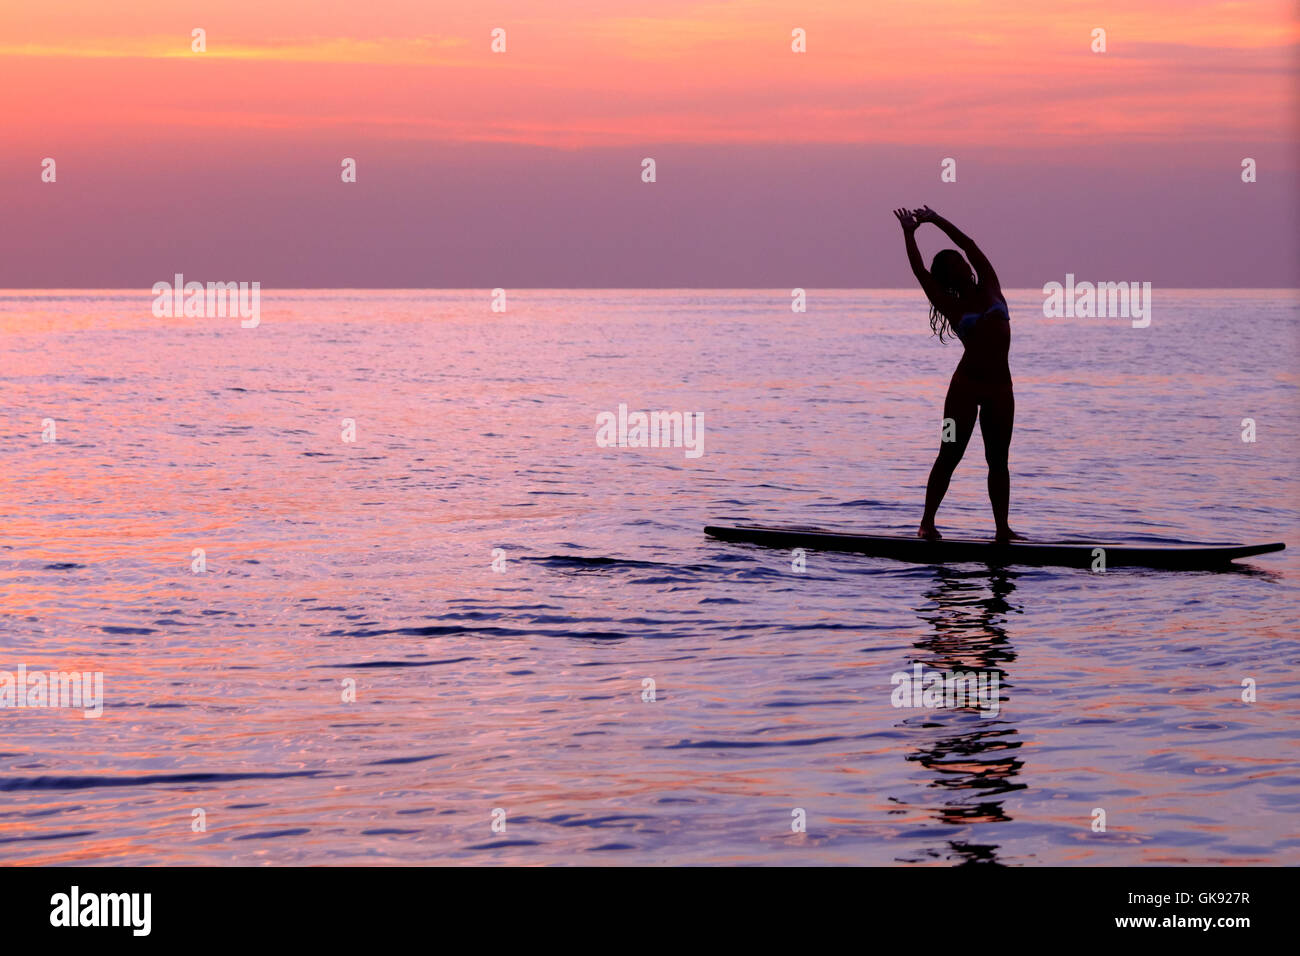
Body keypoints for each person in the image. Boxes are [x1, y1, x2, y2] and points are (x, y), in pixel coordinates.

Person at [893, 205, 1021, 541]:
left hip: (999, 391)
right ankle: (927, 523)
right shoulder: (950, 305)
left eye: (962, 263)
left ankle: (1002, 530)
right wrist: (909, 233)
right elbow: (920, 271)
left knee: (999, 461)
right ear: (948, 278)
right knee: (949, 453)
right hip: (963, 391)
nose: (964, 266)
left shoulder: (991, 286)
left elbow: (969, 244)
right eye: (955, 267)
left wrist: (935, 220)